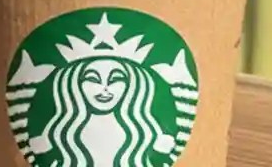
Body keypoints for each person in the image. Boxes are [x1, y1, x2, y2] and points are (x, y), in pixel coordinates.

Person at [28, 56, 177, 166]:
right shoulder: (61, 133)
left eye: (115, 79)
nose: (105, 87)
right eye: (93, 79)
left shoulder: (144, 133)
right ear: (75, 86)